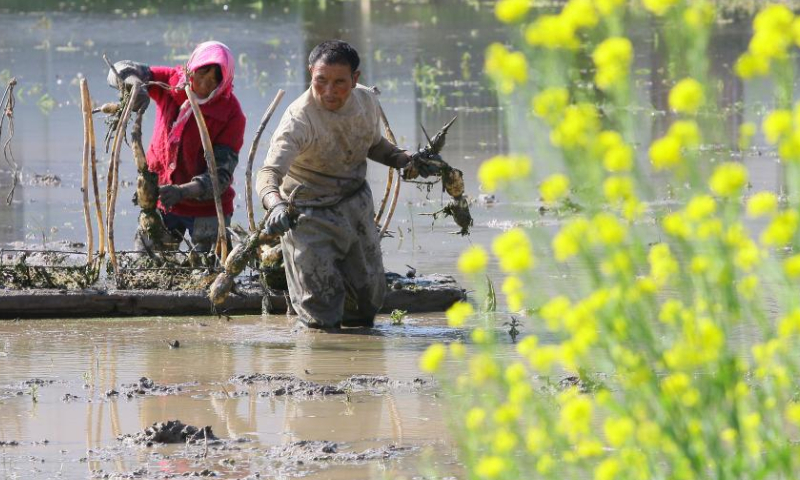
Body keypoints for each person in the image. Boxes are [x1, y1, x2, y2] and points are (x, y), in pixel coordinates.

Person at [256, 40, 413, 330]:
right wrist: (276, 204)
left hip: (355, 203)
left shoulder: (366, 101)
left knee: (366, 300)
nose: (329, 91)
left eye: (340, 82)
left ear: (355, 79)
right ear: (310, 74)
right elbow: (267, 173)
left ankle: (359, 362)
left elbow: (374, 145)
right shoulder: (299, 119)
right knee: (319, 309)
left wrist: (403, 159)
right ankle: (320, 363)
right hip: (309, 212)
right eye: (321, 81)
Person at [108, 41, 246, 252]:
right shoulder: (172, 83)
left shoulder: (231, 114)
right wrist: (135, 86)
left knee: (207, 270)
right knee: (147, 267)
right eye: (201, 74)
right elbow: (119, 69)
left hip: (207, 209)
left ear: (224, 82)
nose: (204, 85)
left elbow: (220, 176)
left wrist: (182, 192)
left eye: (213, 81)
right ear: (192, 68)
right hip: (162, 198)